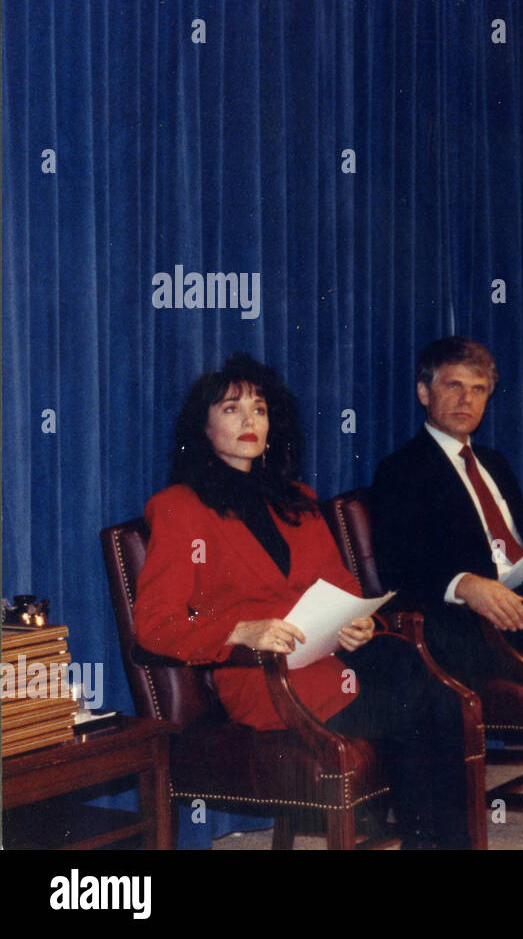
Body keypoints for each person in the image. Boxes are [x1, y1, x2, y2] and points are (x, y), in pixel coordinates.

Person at [132, 352, 472, 849]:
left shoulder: (297, 499)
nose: (249, 420)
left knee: (429, 684)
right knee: (417, 697)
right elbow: (154, 626)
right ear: (203, 427)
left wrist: (360, 624)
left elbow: (343, 589)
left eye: (260, 409)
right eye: (231, 409)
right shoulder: (178, 509)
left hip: (330, 657)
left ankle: (439, 844)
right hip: (264, 678)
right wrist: (237, 631)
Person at [370, 337, 523, 691]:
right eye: (454, 386)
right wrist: (464, 584)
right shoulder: (401, 470)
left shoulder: (495, 463)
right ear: (423, 392)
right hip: (474, 620)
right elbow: (397, 565)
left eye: (478, 390)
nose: (467, 400)